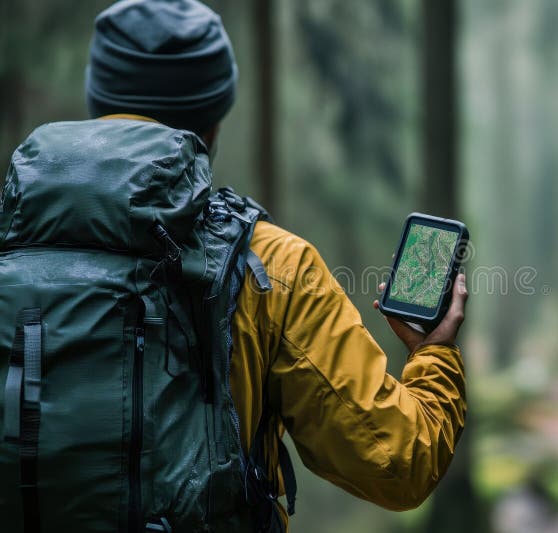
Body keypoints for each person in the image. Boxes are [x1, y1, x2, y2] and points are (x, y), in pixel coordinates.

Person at [84, 0, 468, 529]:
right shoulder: (273, 268)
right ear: (213, 122)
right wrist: (433, 354)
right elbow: (399, 463)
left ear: (97, 105)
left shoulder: (12, 242)